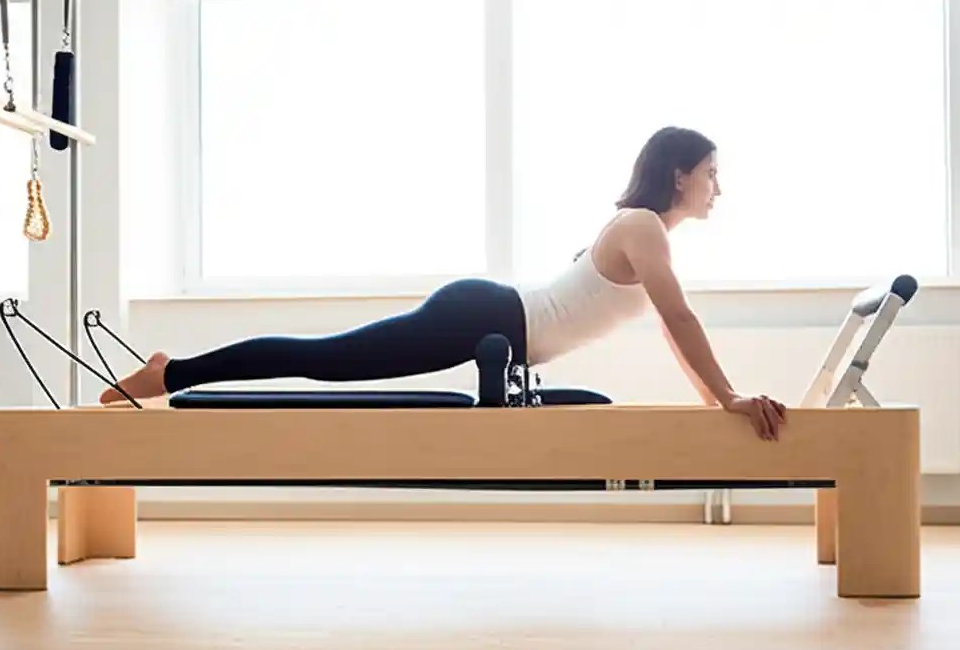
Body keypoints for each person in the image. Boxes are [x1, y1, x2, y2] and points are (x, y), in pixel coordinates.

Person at [101, 126, 788, 439]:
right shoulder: (644, 226)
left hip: (491, 318)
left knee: (326, 359)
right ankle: (171, 372)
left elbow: (674, 334)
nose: (717, 188)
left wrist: (716, 405)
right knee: (324, 360)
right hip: (483, 319)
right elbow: (680, 321)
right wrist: (727, 396)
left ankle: (173, 369)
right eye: (711, 174)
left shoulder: (644, 232)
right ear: (679, 175)